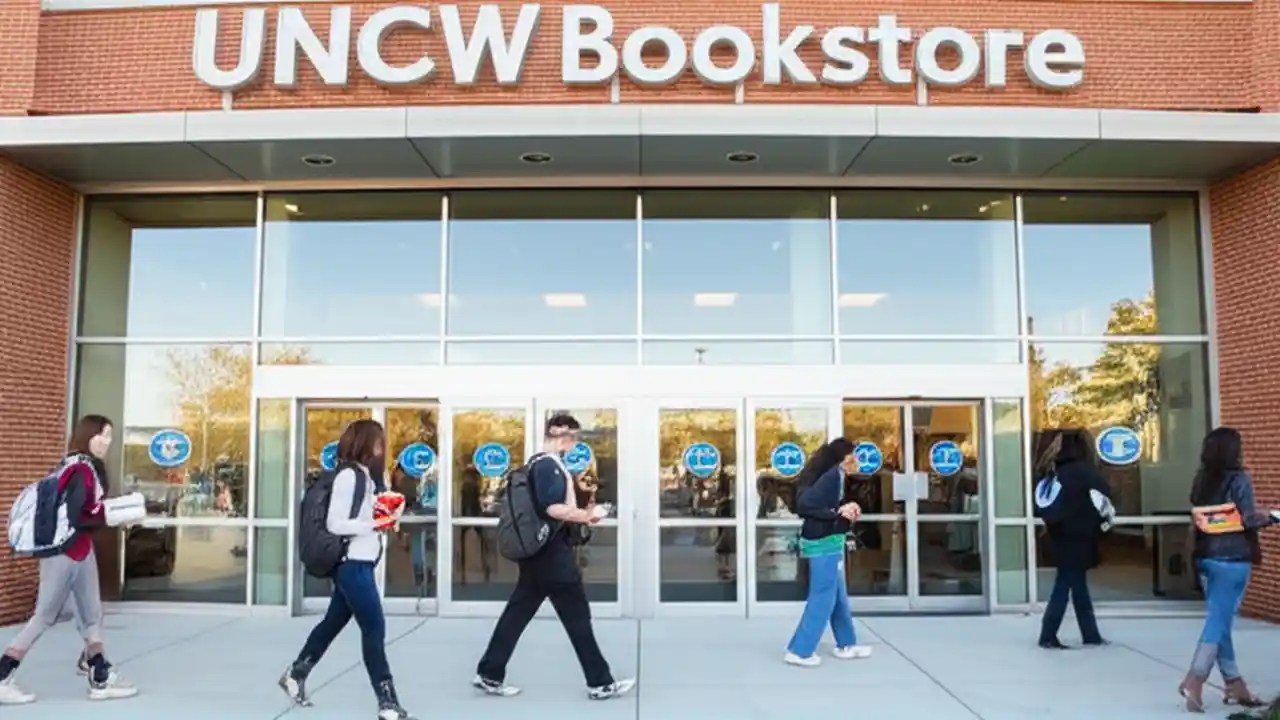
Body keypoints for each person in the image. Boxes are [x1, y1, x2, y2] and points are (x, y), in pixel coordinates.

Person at [473, 413, 635, 700]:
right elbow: (551, 508)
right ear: (563, 435)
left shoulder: (543, 464)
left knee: (518, 612)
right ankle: (600, 683)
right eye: (572, 436)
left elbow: (554, 504)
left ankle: (489, 672)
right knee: (577, 616)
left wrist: (580, 502)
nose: (573, 442)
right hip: (550, 554)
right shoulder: (549, 466)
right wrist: (587, 516)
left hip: (538, 553)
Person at [279, 419, 412, 720]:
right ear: (366, 444)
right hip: (351, 565)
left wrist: (386, 509)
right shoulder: (350, 477)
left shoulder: (364, 477)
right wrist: (375, 523)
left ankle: (296, 674)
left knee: (332, 623)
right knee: (374, 629)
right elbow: (335, 524)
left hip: (360, 563)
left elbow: (361, 517)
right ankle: (387, 703)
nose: (382, 448)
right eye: (379, 443)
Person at [0, 415, 137, 705]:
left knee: (91, 615)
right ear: (89, 435)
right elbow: (79, 515)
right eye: (103, 435)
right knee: (44, 616)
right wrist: (113, 514)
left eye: (110, 436)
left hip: (80, 550)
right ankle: (3, 674)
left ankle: (100, 675)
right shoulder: (82, 470)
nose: (107, 442)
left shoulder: (73, 466)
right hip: (65, 552)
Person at [1178, 427, 1277, 712]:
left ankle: (1235, 684)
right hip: (1233, 559)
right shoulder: (1239, 478)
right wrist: (1272, 516)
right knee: (1219, 621)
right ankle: (1195, 679)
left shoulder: (1201, 481)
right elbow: (1246, 519)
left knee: (1220, 620)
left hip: (1205, 556)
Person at [785, 437, 873, 667]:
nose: (858, 459)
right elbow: (805, 505)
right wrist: (837, 513)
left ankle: (847, 644)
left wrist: (844, 509)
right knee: (823, 596)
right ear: (845, 457)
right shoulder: (832, 476)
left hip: (829, 540)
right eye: (854, 454)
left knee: (838, 595)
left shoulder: (835, 476)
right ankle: (800, 650)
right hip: (823, 542)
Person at [1037, 429, 1110, 649]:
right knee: (1066, 585)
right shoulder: (1086, 474)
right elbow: (1104, 500)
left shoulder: (1056, 474)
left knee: (1077, 586)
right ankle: (1048, 634)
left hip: (1059, 536)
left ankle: (1090, 634)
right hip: (1081, 537)